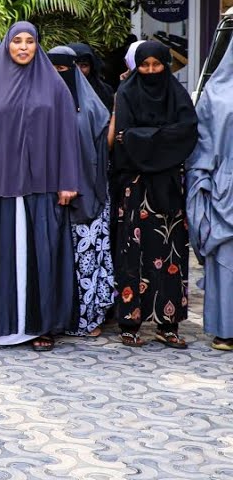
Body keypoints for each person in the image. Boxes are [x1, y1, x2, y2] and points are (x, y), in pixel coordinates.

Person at [0, 22, 80, 352]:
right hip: (0, 186)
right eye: (17, 41)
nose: (24, 47)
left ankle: (42, 326)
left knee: (42, 255)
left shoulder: (54, 86)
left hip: (42, 187)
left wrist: (67, 181)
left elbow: (67, 136)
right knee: (3, 256)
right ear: (7, 46)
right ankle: (2, 323)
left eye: (30, 41)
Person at [111, 41, 198, 349]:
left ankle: (168, 323)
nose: (149, 71)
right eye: (144, 65)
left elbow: (186, 132)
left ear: (165, 66)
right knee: (134, 252)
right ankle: (130, 321)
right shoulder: (127, 93)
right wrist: (161, 136)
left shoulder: (177, 95)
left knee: (171, 252)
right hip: (136, 186)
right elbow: (120, 138)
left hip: (169, 186)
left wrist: (142, 136)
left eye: (156, 65)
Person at [48, 46, 114, 337]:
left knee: (86, 260)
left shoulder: (89, 106)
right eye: (53, 70)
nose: (59, 76)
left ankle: (88, 318)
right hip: (47, 196)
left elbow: (101, 151)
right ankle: (55, 318)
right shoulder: (41, 102)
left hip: (87, 195)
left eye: (64, 70)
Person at [188, 46, 233, 350]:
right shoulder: (216, 94)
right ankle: (226, 328)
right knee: (226, 258)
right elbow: (202, 146)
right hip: (225, 187)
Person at [69, 42, 117, 109]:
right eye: (74, 65)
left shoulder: (104, 91)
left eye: (84, 65)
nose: (78, 70)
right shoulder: (55, 90)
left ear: (91, 67)